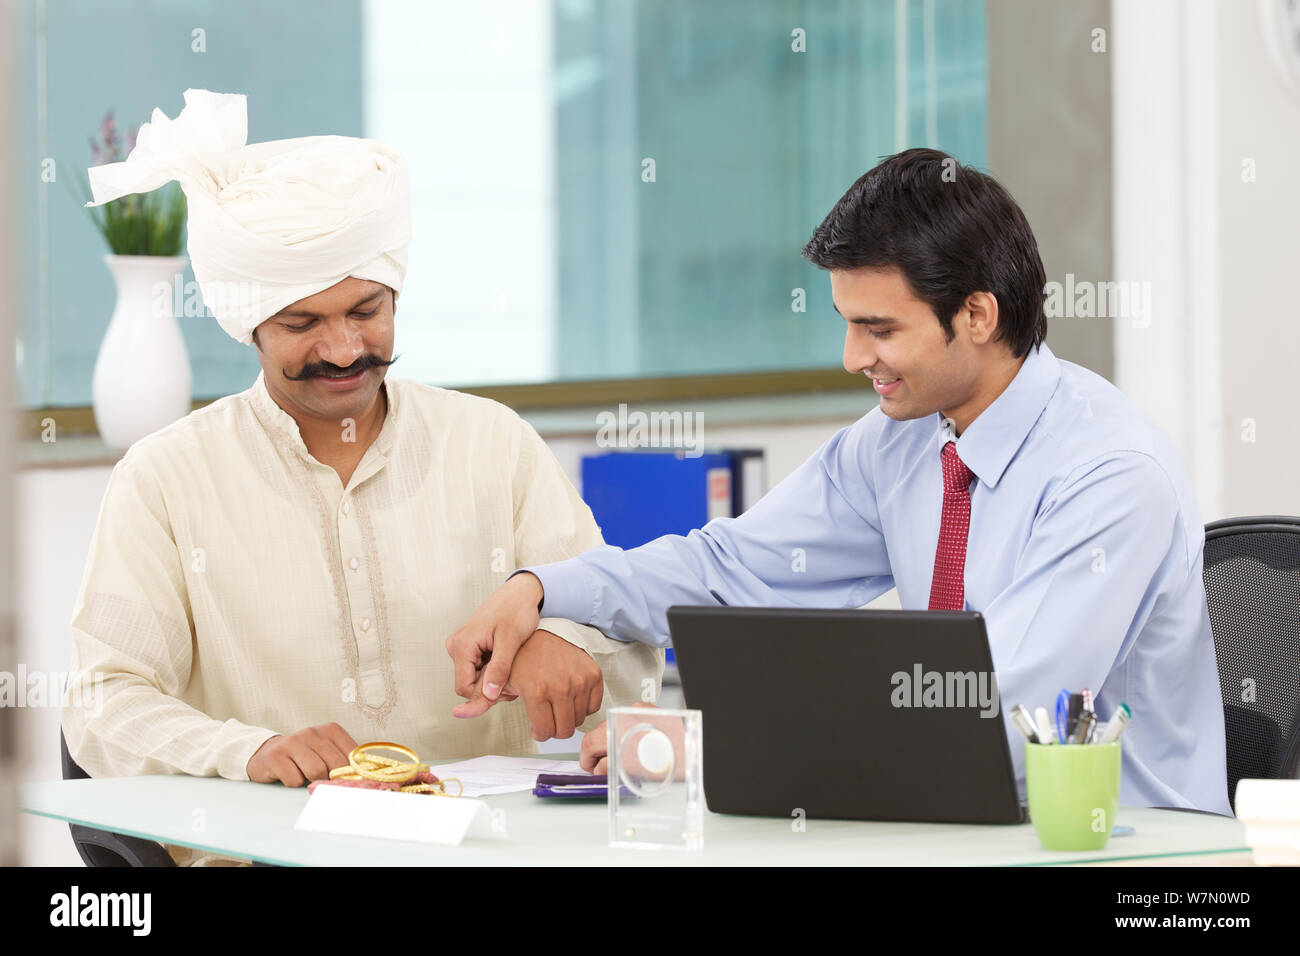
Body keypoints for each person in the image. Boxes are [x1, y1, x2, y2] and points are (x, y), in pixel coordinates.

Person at [447, 148, 1231, 816]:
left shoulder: (1110, 477)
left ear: (980, 315)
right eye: (848, 323)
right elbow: (734, 570)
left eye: (880, 328)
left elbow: (988, 711)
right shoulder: (904, 440)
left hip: (1122, 856)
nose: (855, 358)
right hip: (955, 827)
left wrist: (717, 747)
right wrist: (543, 589)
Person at [62, 90, 661, 864]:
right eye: (302, 324)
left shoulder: (493, 443)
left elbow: (629, 641)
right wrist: (248, 749)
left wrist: (565, 634)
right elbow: (104, 702)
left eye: (366, 311)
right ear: (248, 325)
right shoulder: (166, 477)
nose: (344, 349)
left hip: (497, 855)